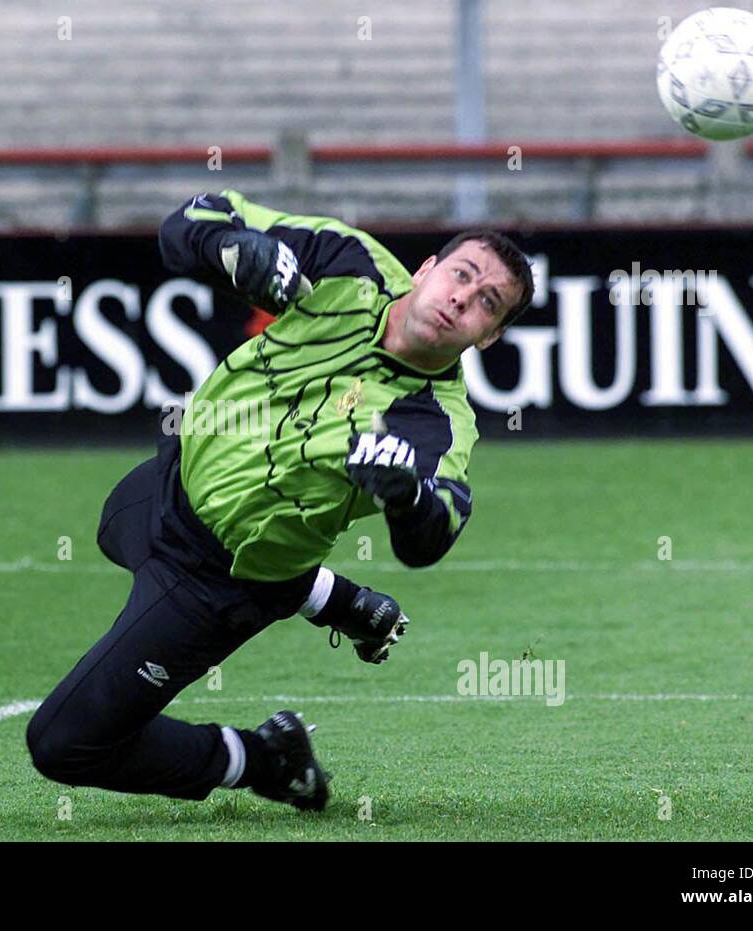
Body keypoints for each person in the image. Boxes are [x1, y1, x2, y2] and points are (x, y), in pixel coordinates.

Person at [26, 190, 534, 811]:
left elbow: (431, 537)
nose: (462, 298)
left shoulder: (434, 422)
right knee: (112, 524)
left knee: (62, 742)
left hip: (213, 582)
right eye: (462, 274)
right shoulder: (351, 264)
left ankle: (267, 759)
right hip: (168, 482)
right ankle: (333, 598)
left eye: (488, 302)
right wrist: (233, 248)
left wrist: (407, 498)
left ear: (491, 336)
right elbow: (188, 221)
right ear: (426, 270)